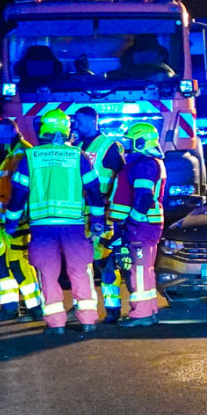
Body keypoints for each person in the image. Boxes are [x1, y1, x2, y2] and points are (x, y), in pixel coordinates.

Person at [6, 109, 106, 334]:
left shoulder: (30, 157)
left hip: (42, 227)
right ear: (66, 130)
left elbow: (18, 194)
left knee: (48, 273)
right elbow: (93, 190)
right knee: (80, 270)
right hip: (74, 225)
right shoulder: (78, 156)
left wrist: (11, 222)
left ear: (43, 130)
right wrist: (98, 220)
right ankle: (88, 320)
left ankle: (56, 324)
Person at [72, 107, 128, 322]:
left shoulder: (108, 146)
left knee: (105, 262)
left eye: (79, 120)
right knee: (79, 263)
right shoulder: (76, 147)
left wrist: (113, 206)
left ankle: (113, 309)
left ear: (92, 121)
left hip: (102, 214)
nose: (76, 125)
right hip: (79, 214)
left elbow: (122, 179)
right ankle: (82, 306)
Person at [109, 122, 167, 327]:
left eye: (131, 142)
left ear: (142, 142)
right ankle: (149, 310)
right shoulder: (149, 162)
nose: (128, 147)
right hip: (146, 225)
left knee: (138, 270)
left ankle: (141, 314)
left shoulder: (144, 164)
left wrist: (131, 222)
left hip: (141, 226)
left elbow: (144, 196)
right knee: (144, 269)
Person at [0, 120, 42, 319]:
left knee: (18, 263)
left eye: (3, 131)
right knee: (2, 264)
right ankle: (9, 308)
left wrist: (17, 216)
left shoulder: (23, 152)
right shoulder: (7, 153)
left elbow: (24, 189)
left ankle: (36, 307)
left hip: (16, 220)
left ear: (13, 131)